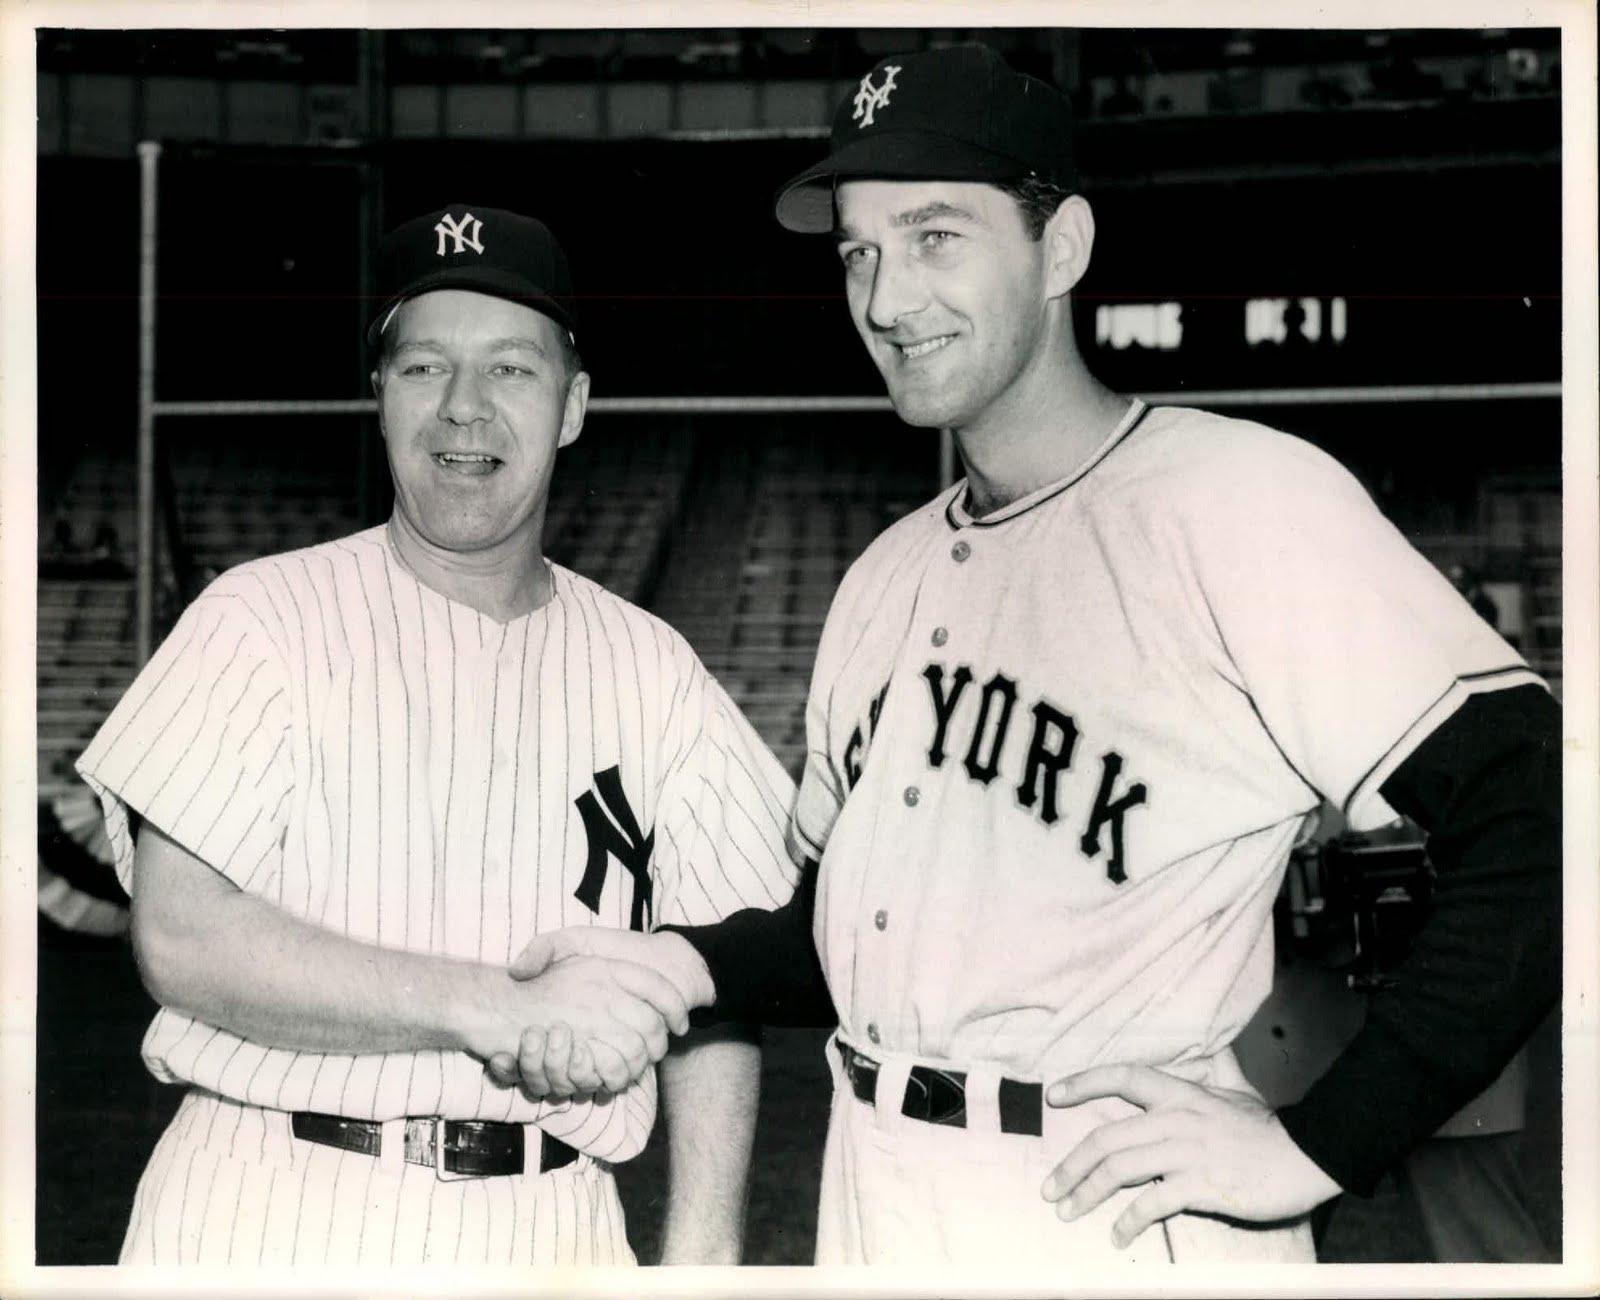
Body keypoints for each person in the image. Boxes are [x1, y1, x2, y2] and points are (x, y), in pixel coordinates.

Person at [503, 43, 1561, 1268]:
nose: (887, 298)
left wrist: (1318, 1145)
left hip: (1103, 1209)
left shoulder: (1239, 501)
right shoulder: (881, 580)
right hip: (871, 1189)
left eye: (936, 235)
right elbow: (847, 937)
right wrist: (673, 961)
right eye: (859, 250)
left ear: (1062, 250)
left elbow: (1540, 813)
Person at [75, 204, 800, 1268]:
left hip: (557, 1224)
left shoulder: (654, 668)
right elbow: (182, 940)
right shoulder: (260, 616)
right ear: (379, 397)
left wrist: (702, 1246)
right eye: (424, 369)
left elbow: (725, 967)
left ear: (573, 406)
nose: (464, 410)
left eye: (511, 369)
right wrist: (495, 1011)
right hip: (270, 1208)